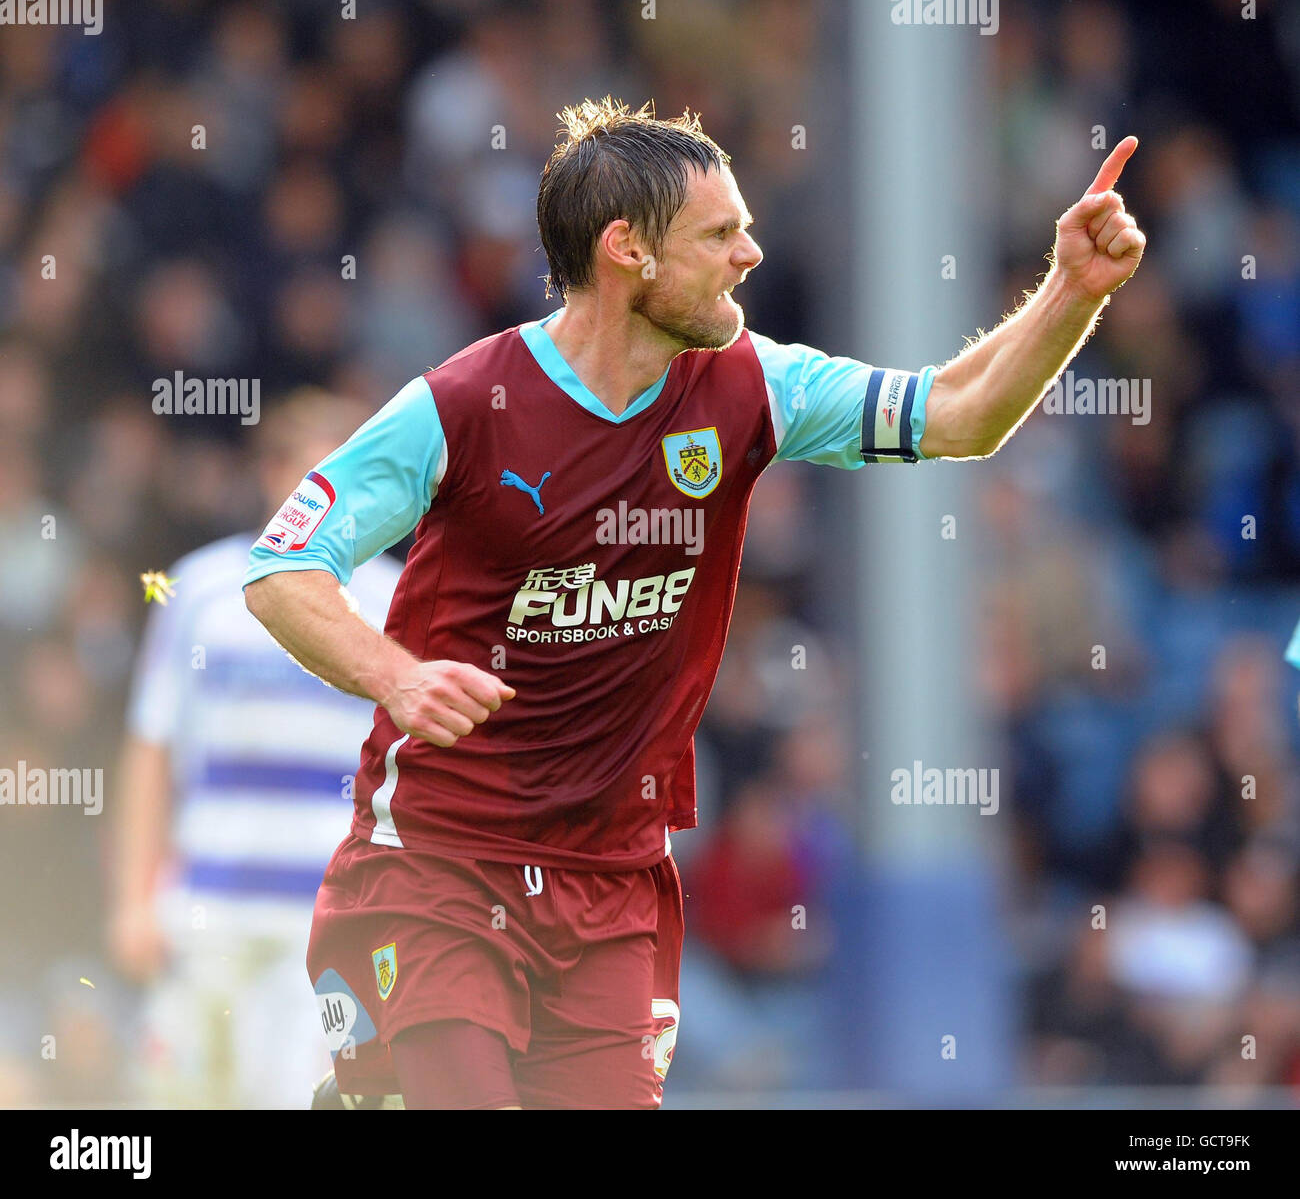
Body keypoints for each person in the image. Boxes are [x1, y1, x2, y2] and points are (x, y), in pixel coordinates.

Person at [242, 98, 1146, 1110]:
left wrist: (1070, 291)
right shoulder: (461, 404)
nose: (750, 255)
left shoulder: (752, 385)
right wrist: (394, 676)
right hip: (440, 864)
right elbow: (281, 569)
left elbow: (960, 418)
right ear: (626, 249)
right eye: (720, 234)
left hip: (612, 882)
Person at [111, 390, 403, 1107]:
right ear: (271, 472)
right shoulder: (199, 589)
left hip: (328, 922)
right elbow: (149, 751)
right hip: (203, 909)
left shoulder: (398, 597)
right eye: (305, 470)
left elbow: (414, 768)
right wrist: (132, 900)